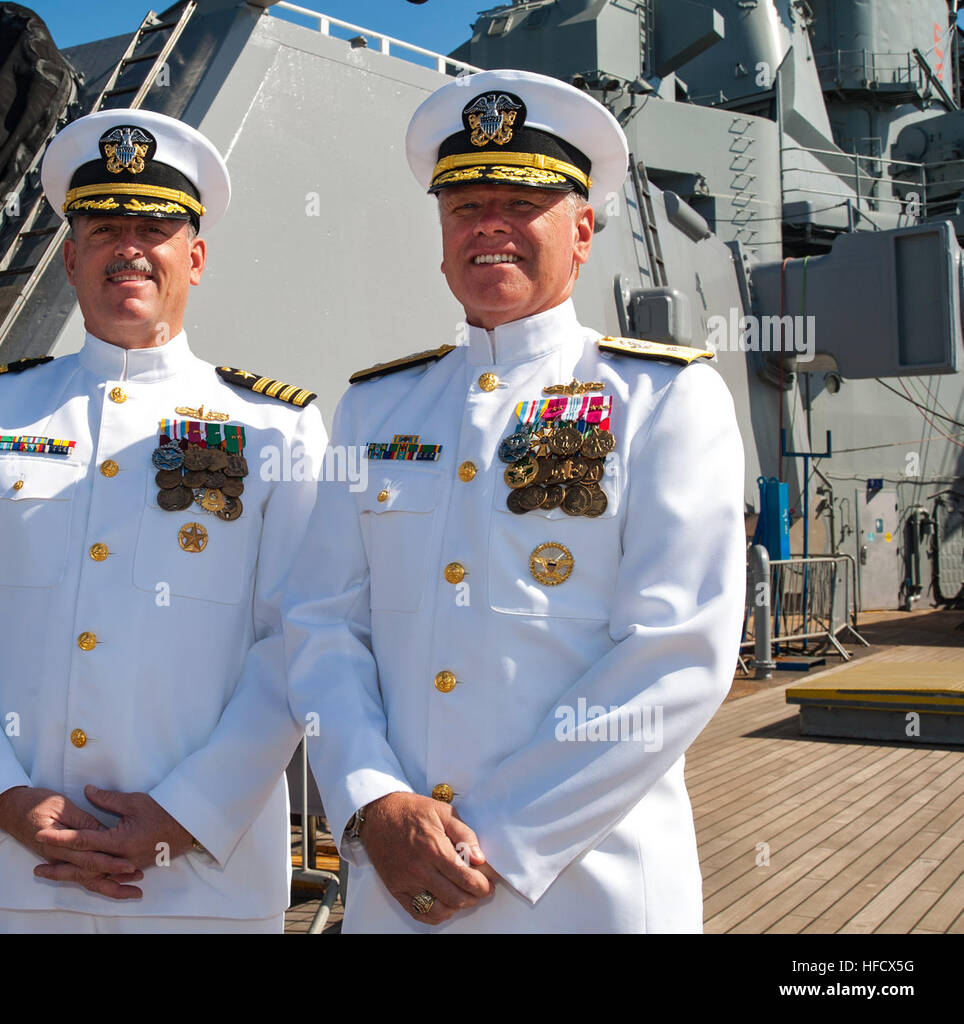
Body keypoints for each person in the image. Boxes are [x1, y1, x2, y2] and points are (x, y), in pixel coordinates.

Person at [283, 69, 745, 932]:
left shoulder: (663, 400)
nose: (488, 224)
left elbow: (679, 650)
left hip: (583, 888)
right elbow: (321, 623)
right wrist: (372, 801)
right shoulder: (378, 407)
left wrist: (493, 842)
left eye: (519, 202)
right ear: (441, 234)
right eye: (464, 206)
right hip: (397, 880)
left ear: (580, 231)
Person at [0, 109, 326, 933]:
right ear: (70, 256)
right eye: (104, 228)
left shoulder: (278, 427)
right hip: (22, 868)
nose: (130, 248)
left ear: (194, 256)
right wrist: (0, 797)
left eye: (154, 227)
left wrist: (189, 814)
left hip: (205, 878)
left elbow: (297, 637)